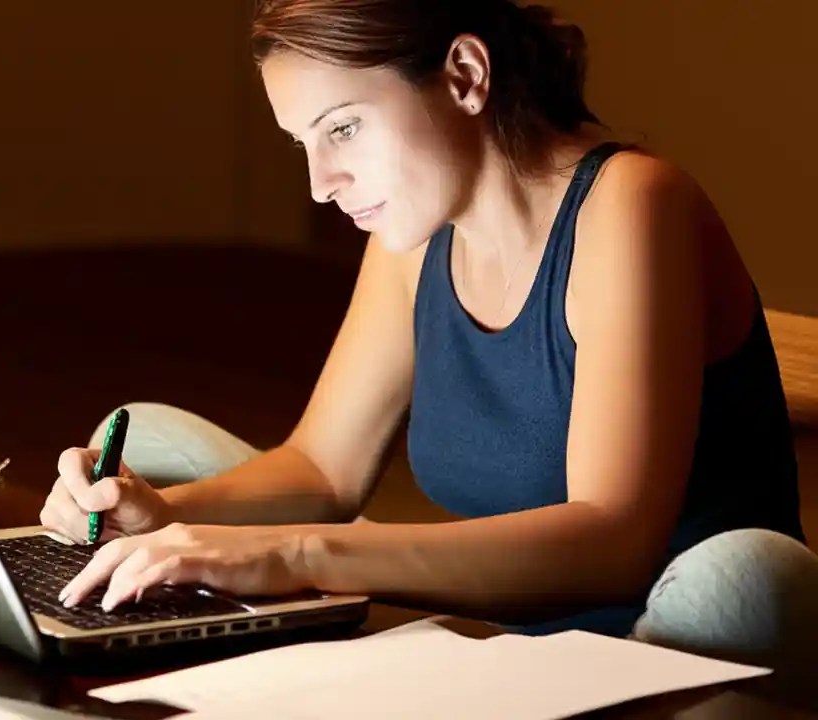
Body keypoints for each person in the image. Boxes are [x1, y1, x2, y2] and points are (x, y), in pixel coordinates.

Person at [40, 0, 818, 679]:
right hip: (508, 638)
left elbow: (612, 541)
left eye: (343, 127)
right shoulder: (413, 233)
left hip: (666, 640)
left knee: (747, 575)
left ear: (465, 75)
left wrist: (294, 555)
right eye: (303, 144)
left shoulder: (631, 204)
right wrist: (158, 514)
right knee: (160, 437)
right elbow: (322, 471)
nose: (321, 183)